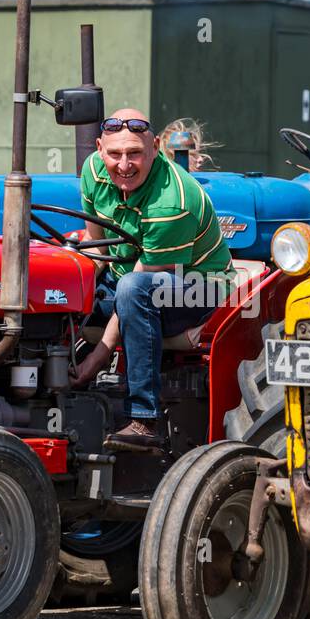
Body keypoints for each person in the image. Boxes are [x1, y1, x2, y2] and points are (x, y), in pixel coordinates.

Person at [72, 109, 234, 451]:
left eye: (135, 154)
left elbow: (138, 286)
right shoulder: (92, 172)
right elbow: (96, 248)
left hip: (196, 290)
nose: (124, 165)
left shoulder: (171, 202)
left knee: (133, 291)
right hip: (131, 279)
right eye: (115, 154)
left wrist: (96, 357)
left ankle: (145, 419)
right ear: (100, 149)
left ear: (155, 147)